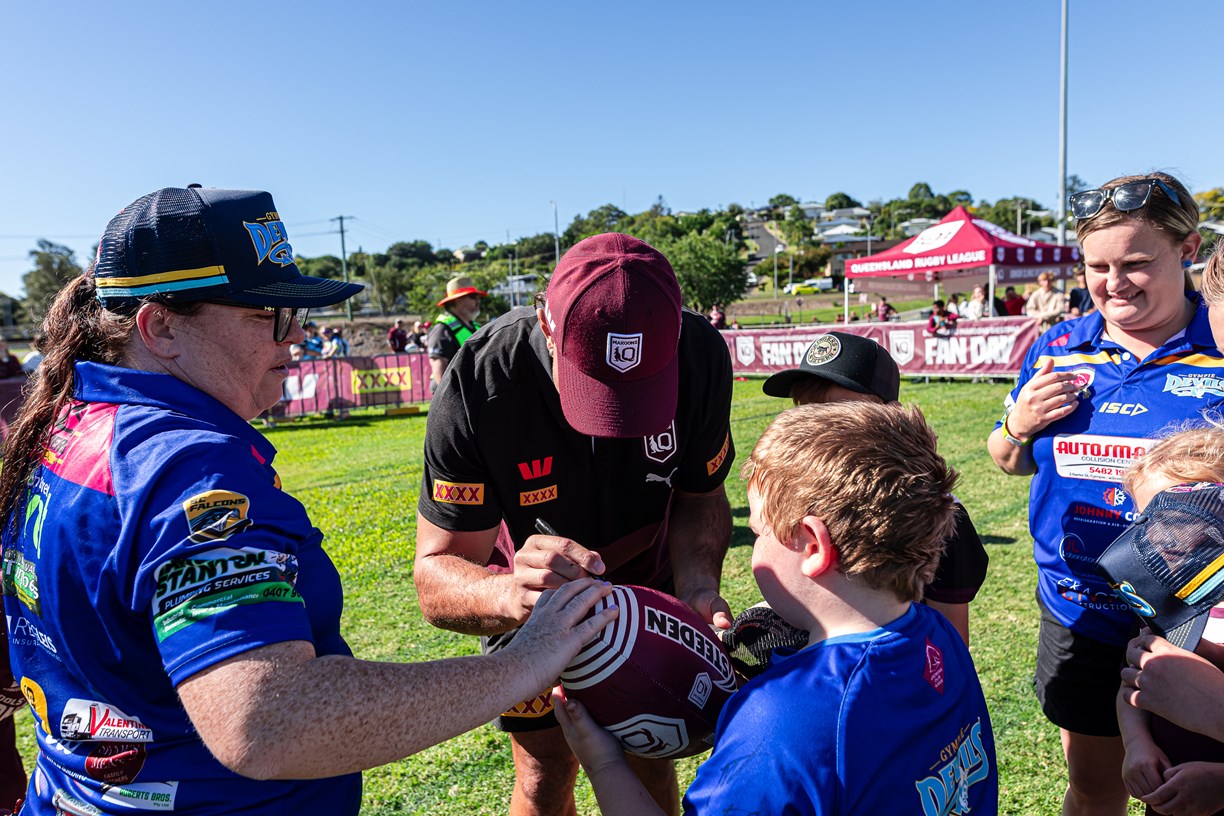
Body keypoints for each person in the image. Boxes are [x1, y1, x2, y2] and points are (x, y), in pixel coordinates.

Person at [0, 185, 619, 815]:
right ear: (160, 327)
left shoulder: (66, 427)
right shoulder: (188, 468)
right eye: (267, 313)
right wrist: (525, 663)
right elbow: (265, 721)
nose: (297, 333)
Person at [414, 233, 735, 816]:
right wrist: (513, 592)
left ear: (676, 334)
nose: (616, 422)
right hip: (531, 594)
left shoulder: (702, 353)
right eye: (595, 387)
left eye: (640, 393)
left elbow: (701, 493)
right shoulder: (481, 378)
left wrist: (696, 588)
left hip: (650, 583)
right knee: (545, 771)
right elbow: (436, 572)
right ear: (546, 323)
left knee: (650, 759)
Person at [555, 401, 998, 815]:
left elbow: (820, 726)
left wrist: (604, 764)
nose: (755, 545)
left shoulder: (777, 723)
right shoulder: (939, 636)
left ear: (812, 545)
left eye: (758, 531)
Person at [986, 171, 1223, 815]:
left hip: (1202, 627)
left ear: (1188, 250)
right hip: (1081, 613)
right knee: (1096, 786)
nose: (1114, 283)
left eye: (1136, 263)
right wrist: (1017, 426)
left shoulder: (1222, 343)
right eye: (1097, 266)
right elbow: (1007, 459)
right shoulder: (1058, 348)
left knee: (1191, 795)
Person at [761, 331, 989, 643]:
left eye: (841, 414)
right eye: (807, 411)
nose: (817, 429)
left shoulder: (937, 513)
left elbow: (951, 640)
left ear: (892, 414)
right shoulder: (793, 492)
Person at [1104, 422, 1224, 815]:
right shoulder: (1165, 594)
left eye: (1174, 518)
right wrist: (1137, 743)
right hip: (1171, 784)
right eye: (1144, 520)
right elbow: (1135, 680)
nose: (1157, 537)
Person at [427, 274, 487, 388]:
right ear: (458, 300)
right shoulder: (442, 330)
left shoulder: (476, 327)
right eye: (473, 297)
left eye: (478, 297)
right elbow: (439, 369)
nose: (478, 301)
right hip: (454, 394)